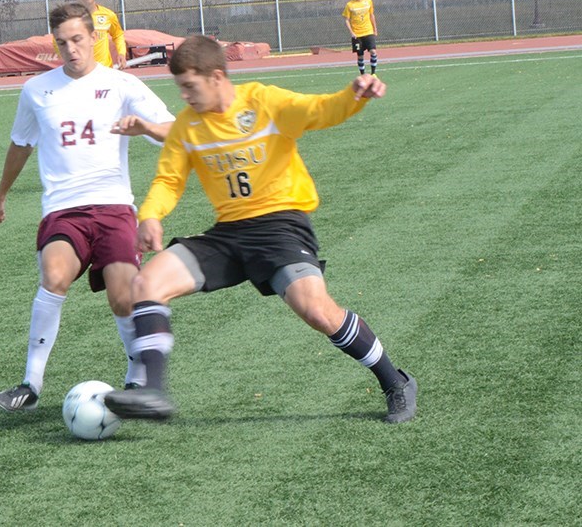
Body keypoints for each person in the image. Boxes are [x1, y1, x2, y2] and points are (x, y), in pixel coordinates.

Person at [103, 35, 417, 424]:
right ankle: (152, 389)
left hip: (281, 225)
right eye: (180, 87)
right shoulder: (187, 125)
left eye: (189, 86)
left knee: (316, 311)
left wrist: (354, 96)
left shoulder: (263, 102)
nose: (184, 96)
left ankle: (395, 382)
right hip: (228, 233)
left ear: (217, 77)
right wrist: (150, 215)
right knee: (146, 283)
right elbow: (169, 180)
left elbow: (318, 110)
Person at [0, 2, 174, 412]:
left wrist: (144, 126)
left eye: (77, 39)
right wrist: (1, 196)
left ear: (94, 37)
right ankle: (31, 384)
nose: (71, 49)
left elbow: (173, 130)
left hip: (114, 208)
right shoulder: (37, 90)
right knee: (54, 275)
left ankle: (136, 381)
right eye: (62, 42)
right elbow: (20, 144)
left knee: (123, 297)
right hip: (64, 209)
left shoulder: (122, 85)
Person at [72, 0, 127, 69]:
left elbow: (118, 35)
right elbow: (58, 40)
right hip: (80, 69)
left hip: (104, 68)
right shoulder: (70, 17)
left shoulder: (108, 15)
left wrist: (121, 53)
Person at [343, 0, 378, 76]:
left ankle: (373, 73)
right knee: (360, 55)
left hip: (368, 31)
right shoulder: (350, 5)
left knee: (373, 51)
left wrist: (375, 29)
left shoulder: (368, 1)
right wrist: (351, 32)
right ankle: (363, 75)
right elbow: (346, 20)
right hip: (357, 34)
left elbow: (371, 15)